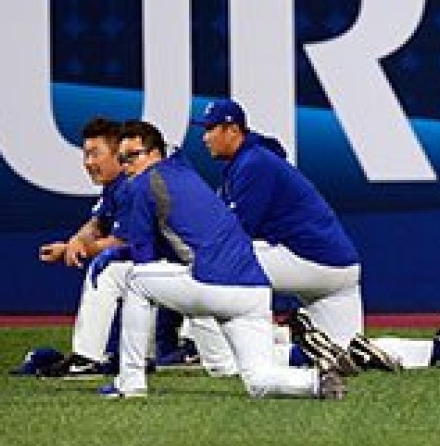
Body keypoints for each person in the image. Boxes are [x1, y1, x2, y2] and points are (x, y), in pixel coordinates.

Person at [195, 99, 440, 372]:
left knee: (210, 272)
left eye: (210, 129)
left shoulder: (253, 164)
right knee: (345, 352)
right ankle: (437, 350)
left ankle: (218, 357)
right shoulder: (252, 160)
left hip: (309, 261)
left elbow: (235, 233)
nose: (205, 137)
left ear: (233, 130)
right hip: (338, 268)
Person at [91, 120, 340, 399]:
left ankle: (130, 383)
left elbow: (144, 258)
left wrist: (115, 253)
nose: (126, 165)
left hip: (214, 283)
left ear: (154, 154)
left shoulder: (142, 185)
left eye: (132, 156)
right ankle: (315, 382)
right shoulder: (183, 167)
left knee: (136, 281)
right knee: (258, 381)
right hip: (254, 290)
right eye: (121, 159)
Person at [34, 118, 224, 377]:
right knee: (233, 349)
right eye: (85, 154)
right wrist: (75, 243)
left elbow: (127, 242)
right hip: (191, 270)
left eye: (95, 154)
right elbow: (98, 222)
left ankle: (101, 360)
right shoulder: (130, 181)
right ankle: (125, 358)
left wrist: (82, 249)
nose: (88, 162)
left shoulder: (137, 182)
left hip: (203, 272)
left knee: (114, 271)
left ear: (118, 155)